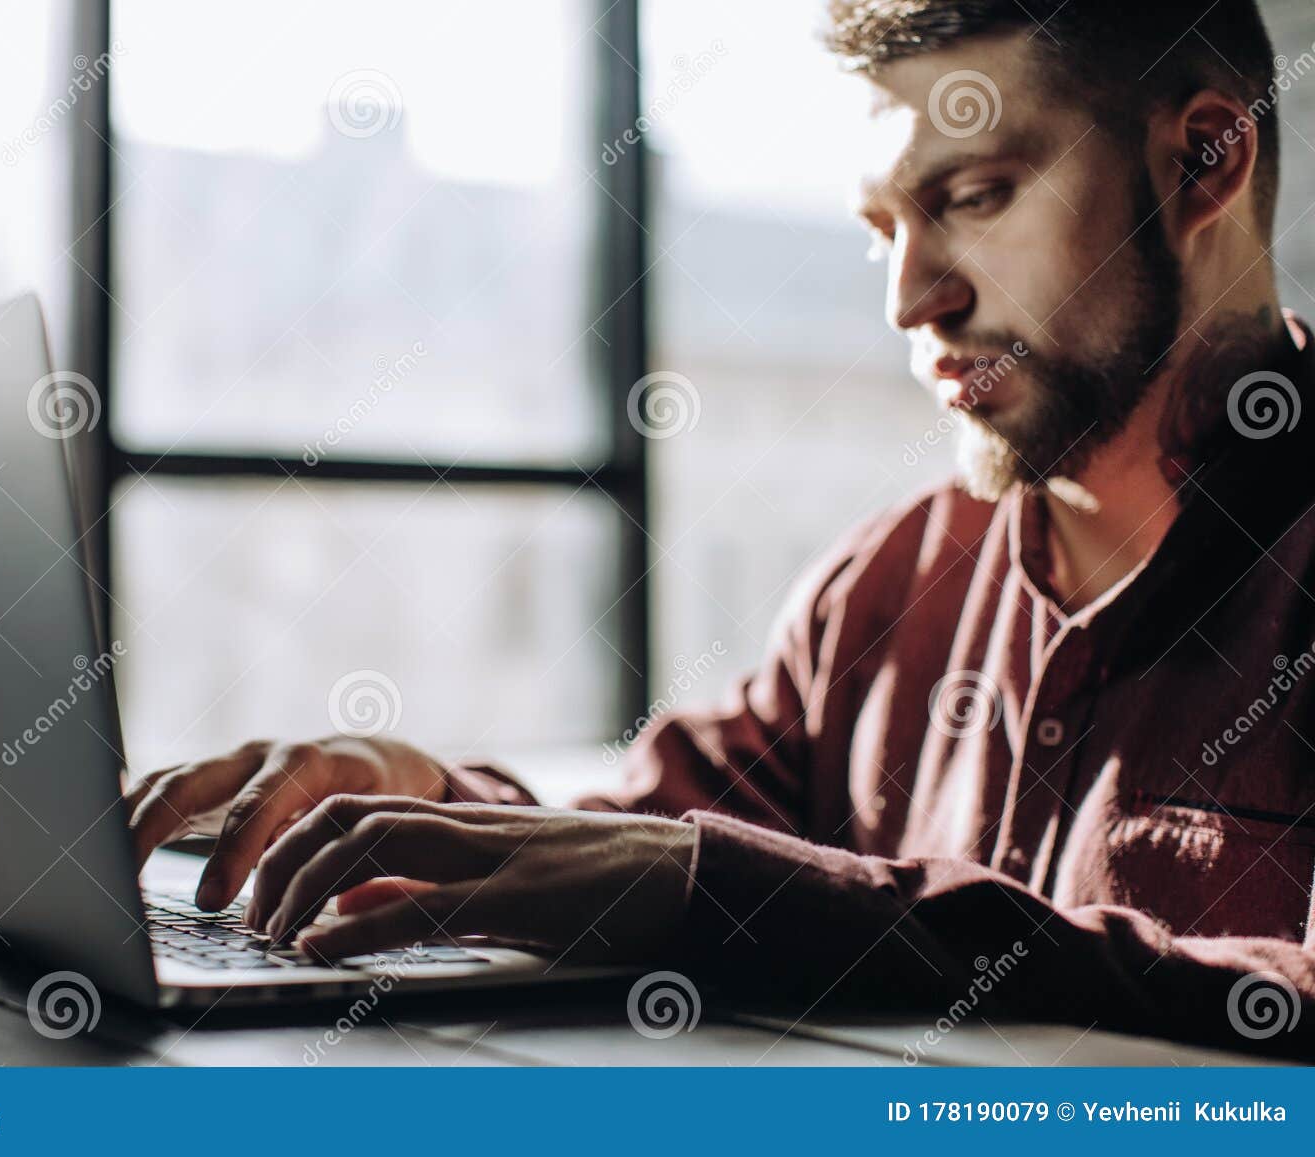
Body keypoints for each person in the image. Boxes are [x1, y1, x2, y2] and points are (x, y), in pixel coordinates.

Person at [125, 0, 1315, 1054]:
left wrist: (744, 896)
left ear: (1204, 162)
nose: (912, 299)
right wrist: (422, 794)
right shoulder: (887, 583)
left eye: (970, 195)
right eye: (881, 229)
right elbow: (660, 844)